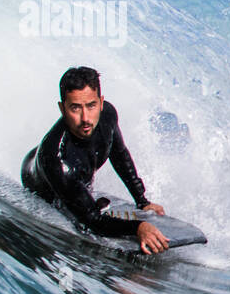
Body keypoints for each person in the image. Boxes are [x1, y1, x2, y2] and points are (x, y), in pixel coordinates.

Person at [21, 66, 170, 254]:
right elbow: (92, 221)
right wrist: (138, 228)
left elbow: (119, 154)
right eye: (75, 108)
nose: (85, 118)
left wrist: (141, 200)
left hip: (73, 171)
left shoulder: (107, 115)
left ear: (100, 102)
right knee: (79, 213)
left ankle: (81, 195)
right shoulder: (56, 159)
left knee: (81, 182)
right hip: (41, 181)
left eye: (91, 106)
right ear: (62, 108)